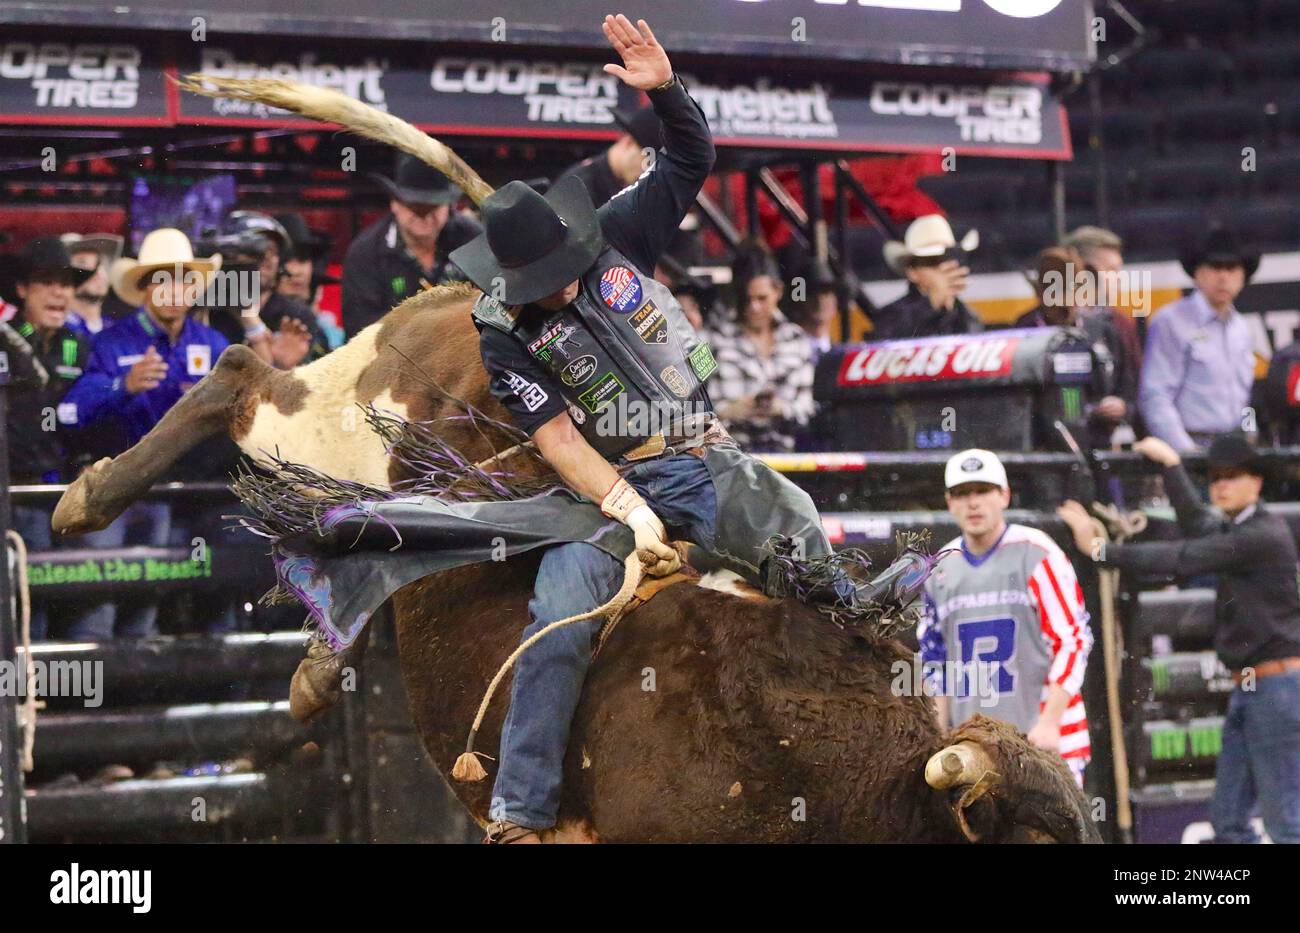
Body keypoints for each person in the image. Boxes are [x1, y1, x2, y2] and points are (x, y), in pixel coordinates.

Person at [450, 14, 924, 843]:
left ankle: (889, 736)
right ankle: (519, 814)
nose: (560, 290)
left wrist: (666, 91)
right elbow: (558, 439)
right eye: (542, 284)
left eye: (564, 274)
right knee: (555, 624)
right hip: (599, 492)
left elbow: (691, 159)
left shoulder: (618, 234)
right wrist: (627, 507)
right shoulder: (502, 330)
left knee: (801, 544)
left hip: (699, 457)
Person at [1059, 434, 1300, 843]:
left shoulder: (1261, 535)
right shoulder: (1244, 530)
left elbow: (1182, 556)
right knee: (1228, 818)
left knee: (1285, 820)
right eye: (1214, 478)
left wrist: (1100, 551)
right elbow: (1199, 526)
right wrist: (1172, 467)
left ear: (1256, 482)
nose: (1220, 485)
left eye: (1232, 476)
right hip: (1257, 689)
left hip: (1276, 688)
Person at [60, 228, 231, 639]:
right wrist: (124, 387)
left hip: (194, 495)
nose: (174, 290)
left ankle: (149, 696)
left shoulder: (214, 345)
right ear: (145, 286)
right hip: (124, 494)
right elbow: (70, 411)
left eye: (184, 279)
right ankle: (93, 697)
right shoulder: (111, 342)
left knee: (154, 606)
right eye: (163, 278)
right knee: (102, 599)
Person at [918, 449, 1093, 786]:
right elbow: (935, 663)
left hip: (1043, 736)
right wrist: (938, 736)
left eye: (983, 491)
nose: (973, 503)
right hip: (972, 747)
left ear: (1004, 495)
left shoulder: (1038, 553)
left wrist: (1050, 722)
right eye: (962, 494)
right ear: (948, 502)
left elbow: (1073, 640)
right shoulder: (939, 569)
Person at [0, 237, 93, 639]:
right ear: (22, 289)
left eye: (67, 283)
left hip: (70, 490)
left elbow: (90, 418)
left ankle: (78, 694)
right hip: (20, 494)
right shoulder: (4, 342)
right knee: (28, 601)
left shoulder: (80, 345)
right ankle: (28, 695)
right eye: (47, 282)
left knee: (86, 590)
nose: (60, 292)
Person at [1139, 227, 1258, 452]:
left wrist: (1250, 435)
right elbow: (1156, 396)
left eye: (1231, 268)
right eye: (1214, 267)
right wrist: (1186, 451)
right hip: (1191, 444)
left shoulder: (1241, 328)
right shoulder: (1171, 321)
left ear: (1243, 277)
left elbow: (1245, 397)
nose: (1223, 276)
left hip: (1233, 446)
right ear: (1197, 273)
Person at [340, 153, 482, 337]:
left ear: (448, 206)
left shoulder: (475, 240)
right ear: (394, 204)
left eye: (433, 206)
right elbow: (360, 330)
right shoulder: (365, 254)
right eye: (415, 206)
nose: (424, 216)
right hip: (390, 359)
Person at [1014, 246, 1136, 448]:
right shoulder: (1023, 331)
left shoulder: (1104, 332)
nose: (1065, 300)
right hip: (1041, 449)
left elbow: (1129, 391)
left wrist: (1121, 407)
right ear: (1040, 292)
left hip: (1096, 445)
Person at [707, 254, 815, 452]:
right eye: (747, 299)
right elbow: (694, 409)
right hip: (730, 454)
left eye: (762, 298)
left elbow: (807, 408)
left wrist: (780, 408)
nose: (754, 307)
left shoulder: (797, 340)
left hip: (786, 456)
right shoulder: (713, 340)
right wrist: (729, 411)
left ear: (779, 291)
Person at [198, 211, 322, 366]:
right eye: (255, 249)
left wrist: (285, 367)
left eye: (273, 251)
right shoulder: (209, 307)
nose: (266, 258)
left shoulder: (295, 317)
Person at [872, 215, 982, 340]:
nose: (943, 267)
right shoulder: (890, 316)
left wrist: (949, 309)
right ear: (912, 272)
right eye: (932, 261)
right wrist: (932, 304)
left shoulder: (968, 316)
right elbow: (894, 344)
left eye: (947, 258)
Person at [1060, 225, 1143, 377]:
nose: (1118, 278)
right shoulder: (1040, 322)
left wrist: (1120, 401)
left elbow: (1134, 389)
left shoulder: (1121, 324)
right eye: (1111, 270)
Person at [557, 105, 662, 208]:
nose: (648, 172)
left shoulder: (623, 189)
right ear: (629, 142)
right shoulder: (579, 190)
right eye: (649, 162)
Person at [60, 233, 124, 338]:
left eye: (101, 263)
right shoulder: (55, 330)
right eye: (82, 264)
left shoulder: (116, 329)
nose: (98, 273)